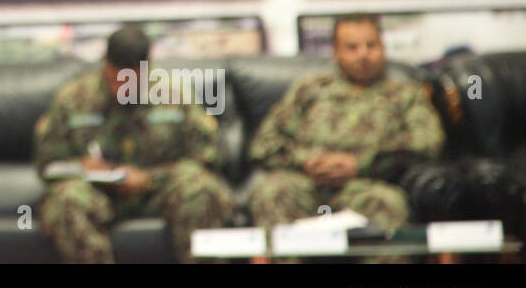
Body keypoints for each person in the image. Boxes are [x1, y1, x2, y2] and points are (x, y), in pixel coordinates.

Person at [33, 26, 234, 263]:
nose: (121, 90)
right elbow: (48, 163)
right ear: (105, 64)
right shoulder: (74, 98)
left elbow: (208, 156)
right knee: (65, 199)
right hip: (97, 195)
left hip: (157, 192)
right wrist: (83, 167)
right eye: (114, 79)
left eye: (130, 81)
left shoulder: (173, 93)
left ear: (146, 68)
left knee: (202, 189)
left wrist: (150, 179)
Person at [248, 14, 443, 237]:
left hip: (366, 185)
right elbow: (264, 144)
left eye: (371, 45)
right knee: (271, 193)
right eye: (352, 47)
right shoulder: (310, 90)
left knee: (389, 204)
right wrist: (308, 161)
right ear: (336, 52)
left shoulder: (404, 94)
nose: (363, 54)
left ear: (383, 47)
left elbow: (428, 143)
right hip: (305, 184)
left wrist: (360, 163)